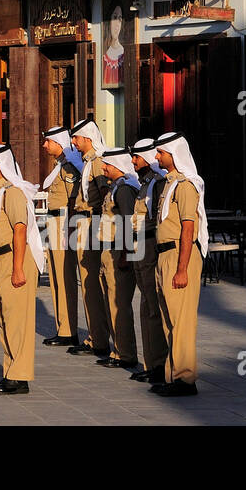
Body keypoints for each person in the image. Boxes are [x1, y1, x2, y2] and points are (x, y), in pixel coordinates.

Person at [0, 143, 45, 395]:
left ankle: (18, 377)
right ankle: (10, 373)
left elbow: (20, 229)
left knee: (17, 320)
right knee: (6, 320)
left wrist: (18, 268)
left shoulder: (12, 192)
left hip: (12, 259)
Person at [151, 132, 208, 397]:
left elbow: (188, 228)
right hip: (165, 254)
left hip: (179, 254)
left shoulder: (185, 186)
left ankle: (185, 379)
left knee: (182, 320)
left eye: (161, 153)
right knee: (169, 319)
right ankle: (172, 374)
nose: (157, 157)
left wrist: (182, 268)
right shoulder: (170, 184)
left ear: (173, 155)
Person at [67, 118, 111, 360]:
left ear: (88, 139)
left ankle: (99, 339)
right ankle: (96, 336)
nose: (73, 142)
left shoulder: (96, 163)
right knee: (87, 283)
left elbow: (105, 196)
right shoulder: (87, 162)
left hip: (92, 224)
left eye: (77, 138)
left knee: (92, 284)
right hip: (84, 223)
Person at [130, 138, 169, 384]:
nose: (133, 161)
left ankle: (159, 364)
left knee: (153, 306)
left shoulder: (157, 184)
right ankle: (150, 362)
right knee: (145, 305)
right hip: (138, 245)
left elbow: (156, 220)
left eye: (137, 157)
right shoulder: (144, 184)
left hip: (149, 246)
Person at [97, 148, 140, 370]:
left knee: (119, 304)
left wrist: (125, 254)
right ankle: (118, 350)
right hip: (108, 250)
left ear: (118, 166)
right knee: (110, 303)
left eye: (107, 165)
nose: (103, 168)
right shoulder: (116, 188)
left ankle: (126, 353)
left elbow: (127, 223)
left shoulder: (124, 190)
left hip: (118, 251)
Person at [40, 126, 82, 348]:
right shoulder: (60, 167)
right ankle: (63, 327)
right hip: (55, 224)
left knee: (65, 278)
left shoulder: (69, 169)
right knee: (56, 277)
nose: (45, 145)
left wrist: (70, 233)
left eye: (48, 141)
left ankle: (68, 330)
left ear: (58, 142)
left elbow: (73, 203)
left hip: (64, 226)